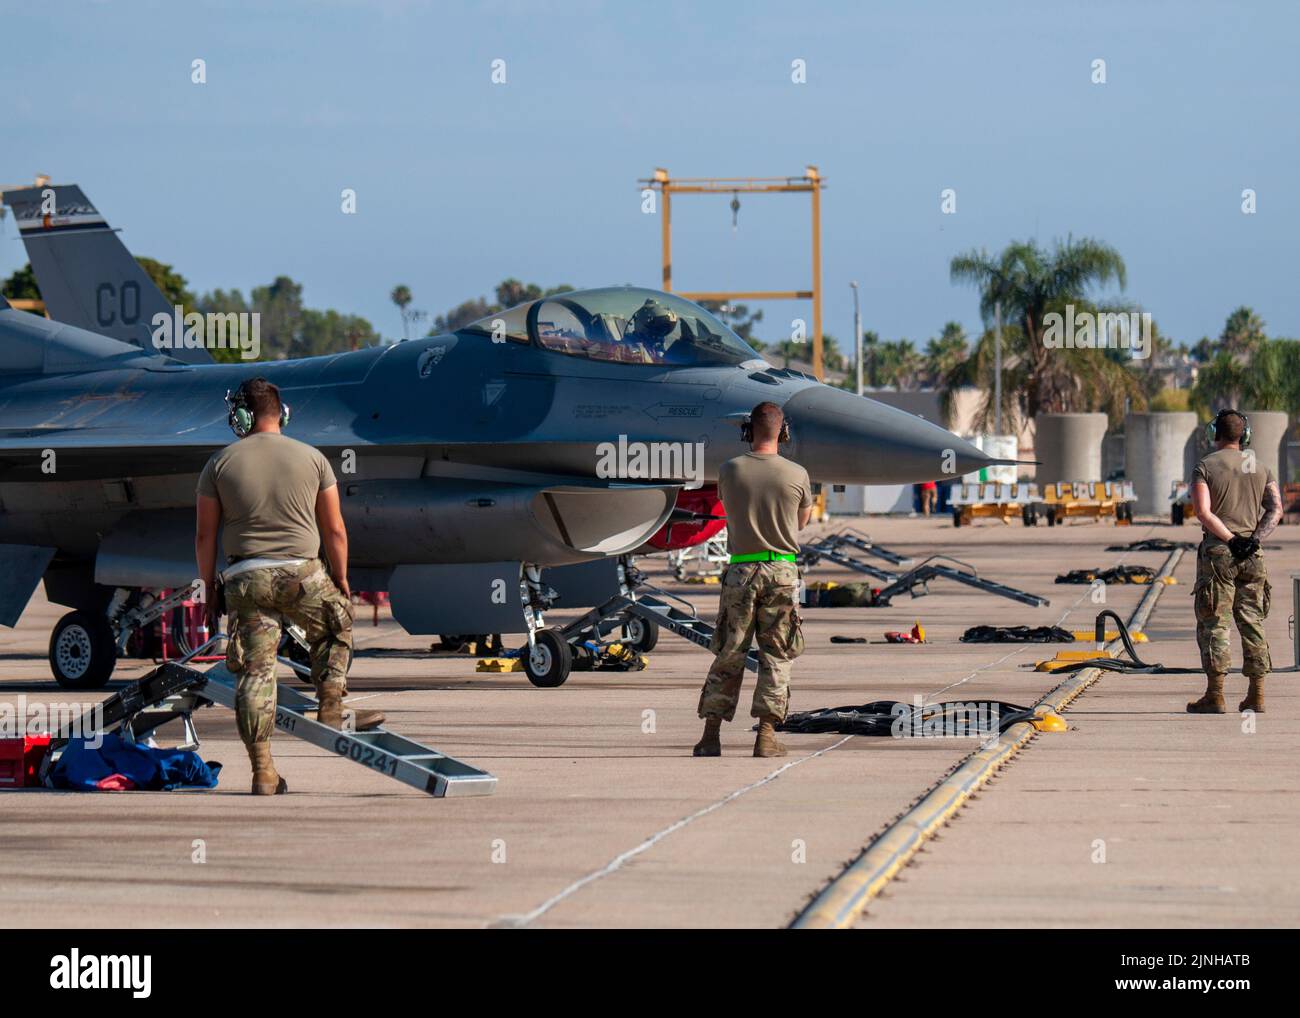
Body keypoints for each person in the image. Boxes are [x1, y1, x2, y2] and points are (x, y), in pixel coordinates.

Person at [195, 377, 380, 795]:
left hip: (244, 579)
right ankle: (331, 704)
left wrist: (209, 589)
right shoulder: (313, 458)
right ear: (283, 414)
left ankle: (262, 771)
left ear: (242, 415)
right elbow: (335, 529)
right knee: (335, 623)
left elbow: (205, 536)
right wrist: (342, 579)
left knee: (256, 674)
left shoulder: (219, 463)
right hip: (302, 574)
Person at [693, 401, 812, 758]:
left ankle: (710, 736)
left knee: (730, 652)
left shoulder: (729, 470)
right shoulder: (797, 474)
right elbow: (801, 523)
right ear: (783, 432)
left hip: (741, 570)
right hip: (781, 570)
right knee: (777, 654)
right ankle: (766, 735)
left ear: (748, 432)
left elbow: (728, 508)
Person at [1187, 408, 1282, 714]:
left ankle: (1215, 695)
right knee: (1252, 621)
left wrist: (1230, 539)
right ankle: (1257, 694)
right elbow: (1275, 509)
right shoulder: (1261, 467)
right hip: (1252, 556)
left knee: (1215, 622)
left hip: (1219, 555)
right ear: (1245, 435)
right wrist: (1253, 540)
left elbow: (1203, 512)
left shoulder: (1205, 465)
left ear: (1215, 434)